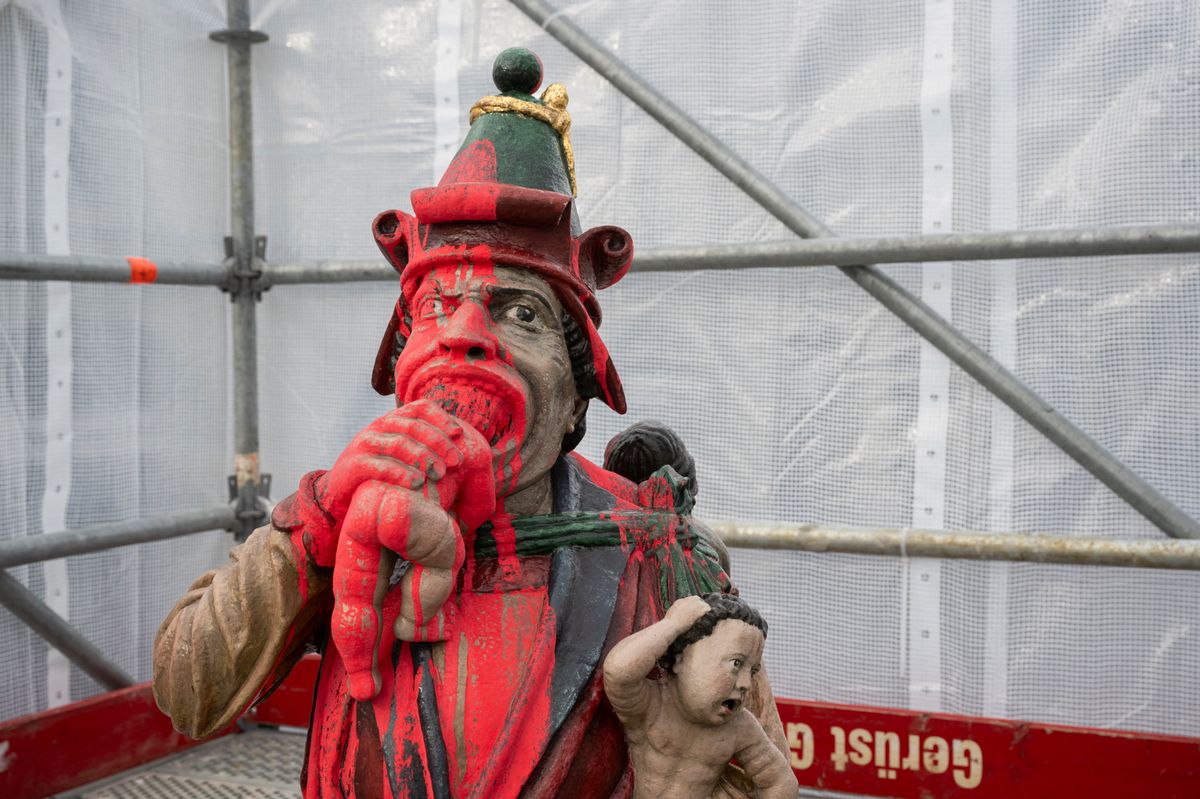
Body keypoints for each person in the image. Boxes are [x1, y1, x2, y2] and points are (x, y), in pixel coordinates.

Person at [153, 47, 788, 799]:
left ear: (576, 397)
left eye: (521, 313)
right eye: (436, 307)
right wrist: (318, 519)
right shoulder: (340, 521)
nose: (465, 335)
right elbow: (189, 694)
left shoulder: (653, 546)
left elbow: (755, 769)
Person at [603, 594, 799, 799]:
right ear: (681, 659)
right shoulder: (651, 706)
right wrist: (673, 624)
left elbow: (781, 782)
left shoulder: (740, 728)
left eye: (753, 671)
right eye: (736, 664)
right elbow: (618, 671)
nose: (746, 684)